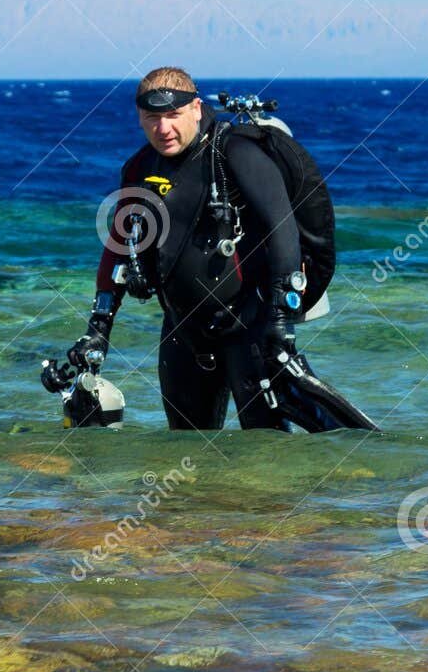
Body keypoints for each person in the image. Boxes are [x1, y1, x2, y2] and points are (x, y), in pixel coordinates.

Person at [63, 66, 340, 431]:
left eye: (173, 115)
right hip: (183, 331)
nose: (163, 129)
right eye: (152, 118)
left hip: (249, 330)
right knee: (186, 452)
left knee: (267, 453)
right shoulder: (139, 168)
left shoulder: (235, 153)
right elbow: (118, 247)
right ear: (139, 117)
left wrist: (280, 324)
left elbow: (281, 230)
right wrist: (98, 328)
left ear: (195, 108)